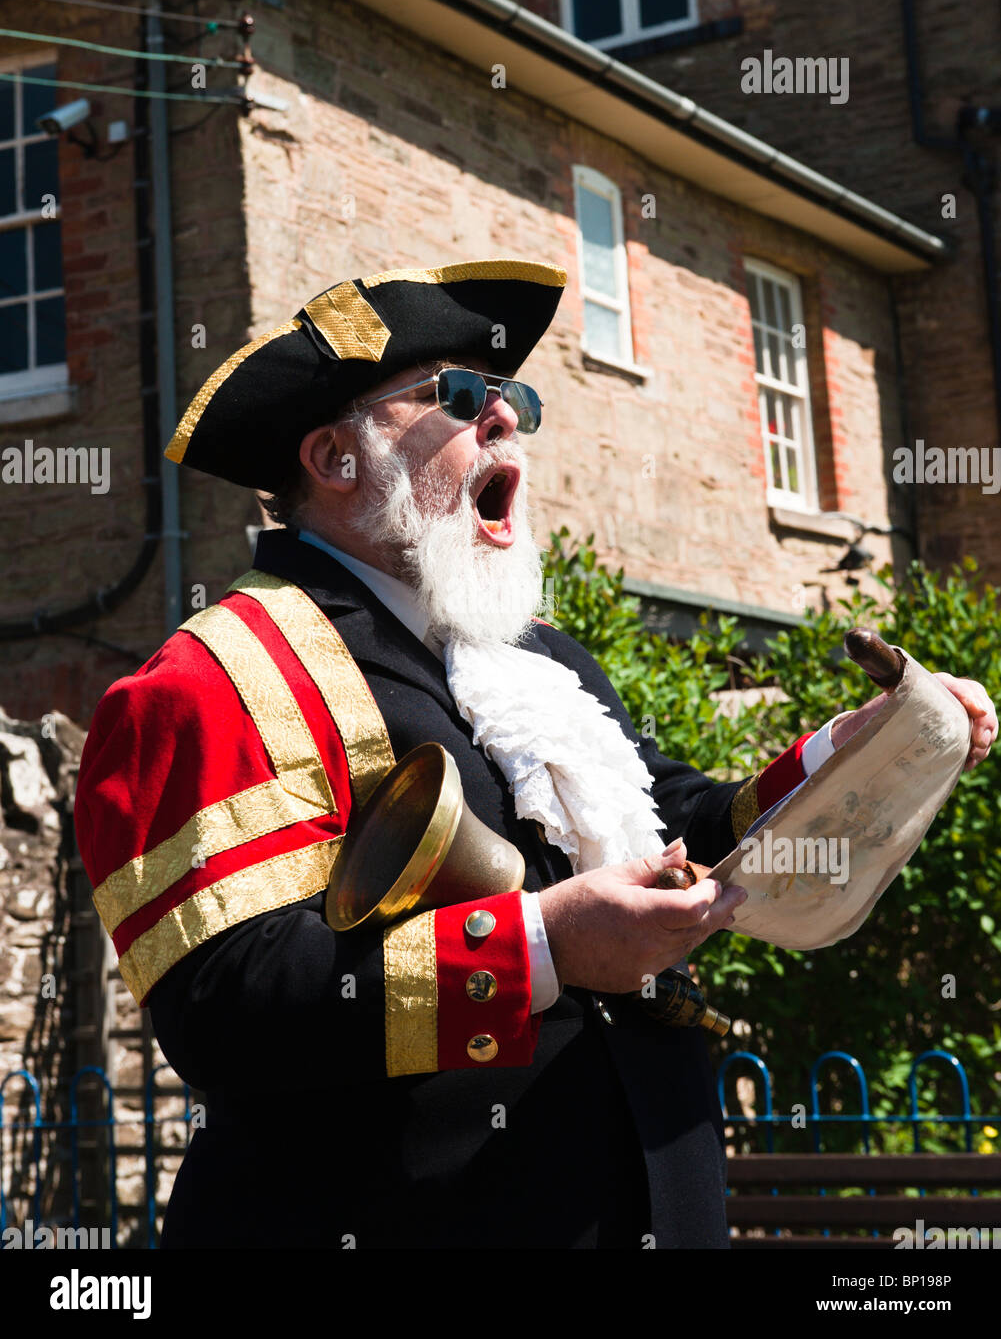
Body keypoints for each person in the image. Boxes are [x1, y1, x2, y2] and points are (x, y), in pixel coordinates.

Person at [74, 259, 996, 1249]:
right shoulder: (211, 676)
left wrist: (847, 755)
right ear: (338, 457)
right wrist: (543, 949)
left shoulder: (531, 650)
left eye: (513, 396)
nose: (504, 417)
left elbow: (671, 821)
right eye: (461, 396)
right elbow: (226, 1005)